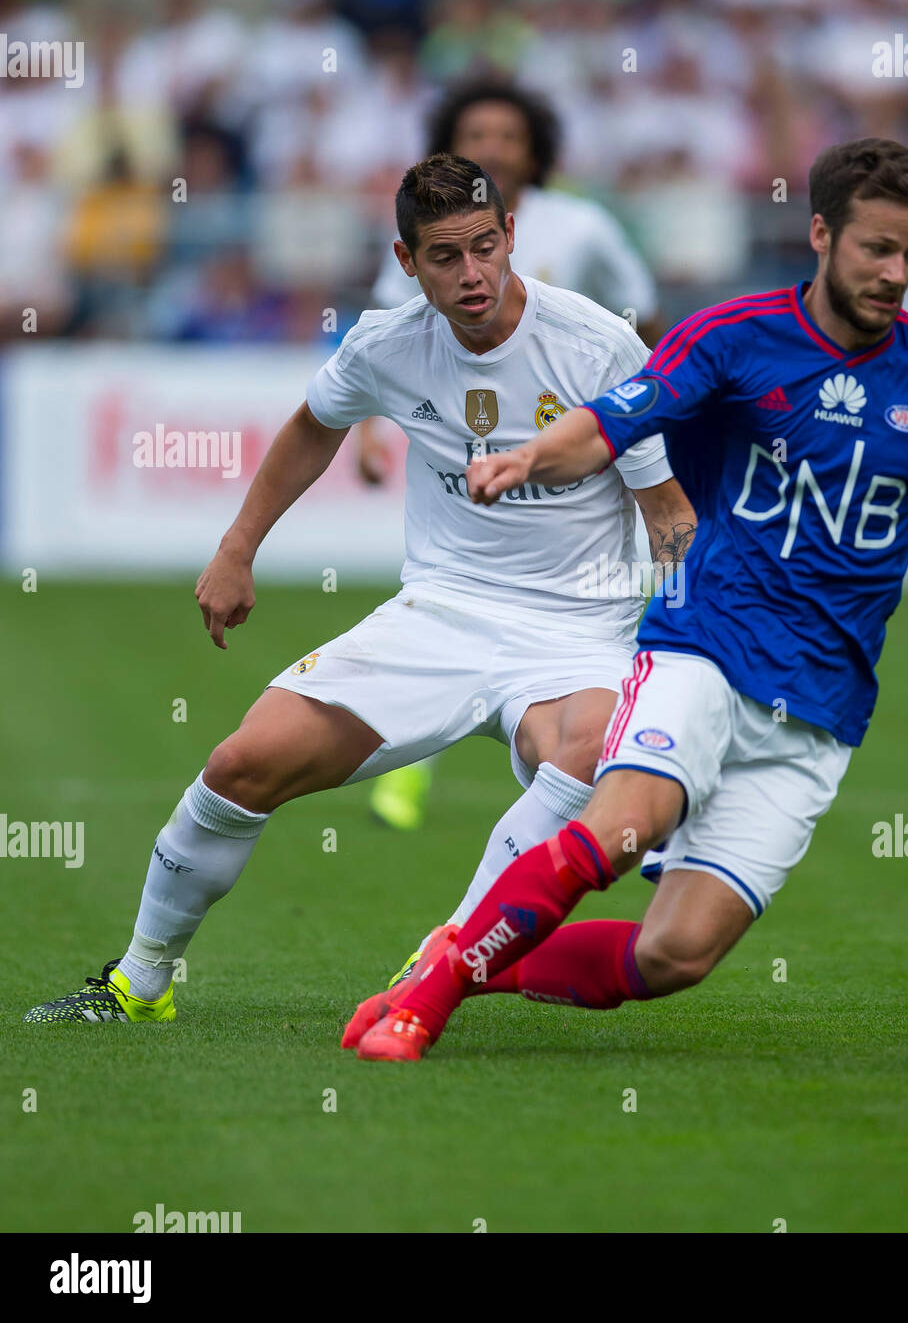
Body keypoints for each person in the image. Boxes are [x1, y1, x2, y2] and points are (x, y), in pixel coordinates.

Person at [343, 137, 908, 1062]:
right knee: (620, 831)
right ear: (821, 234)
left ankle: (458, 962)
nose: (895, 274)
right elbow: (612, 423)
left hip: (819, 709)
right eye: (876, 250)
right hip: (704, 649)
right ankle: (428, 1002)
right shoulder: (733, 339)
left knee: (674, 955)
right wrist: (530, 457)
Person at [24, 153, 694, 1025]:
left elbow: (669, 516)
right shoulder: (386, 344)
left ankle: (446, 957)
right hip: (441, 613)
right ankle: (139, 982)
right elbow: (313, 426)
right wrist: (236, 551)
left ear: (512, 237)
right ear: (406, 261)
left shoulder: (598, 343)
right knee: (238, 766)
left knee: (584, 750)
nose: (472, 274)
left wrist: (681, 652)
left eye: (485, 247)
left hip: (575, 632)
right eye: (445, 257)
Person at [360, 78, 664, 833]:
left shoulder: (584, 226)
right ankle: (410, 776)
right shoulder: (434, 236)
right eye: (477, 135)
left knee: (559, 670)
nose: (493, 147)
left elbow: (643, 312)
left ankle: (559, 790)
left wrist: (638, 415)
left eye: (508, 136)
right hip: (468, 458)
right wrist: (369, 430)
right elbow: (385, 343)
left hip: (573, 459)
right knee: (451, 610)